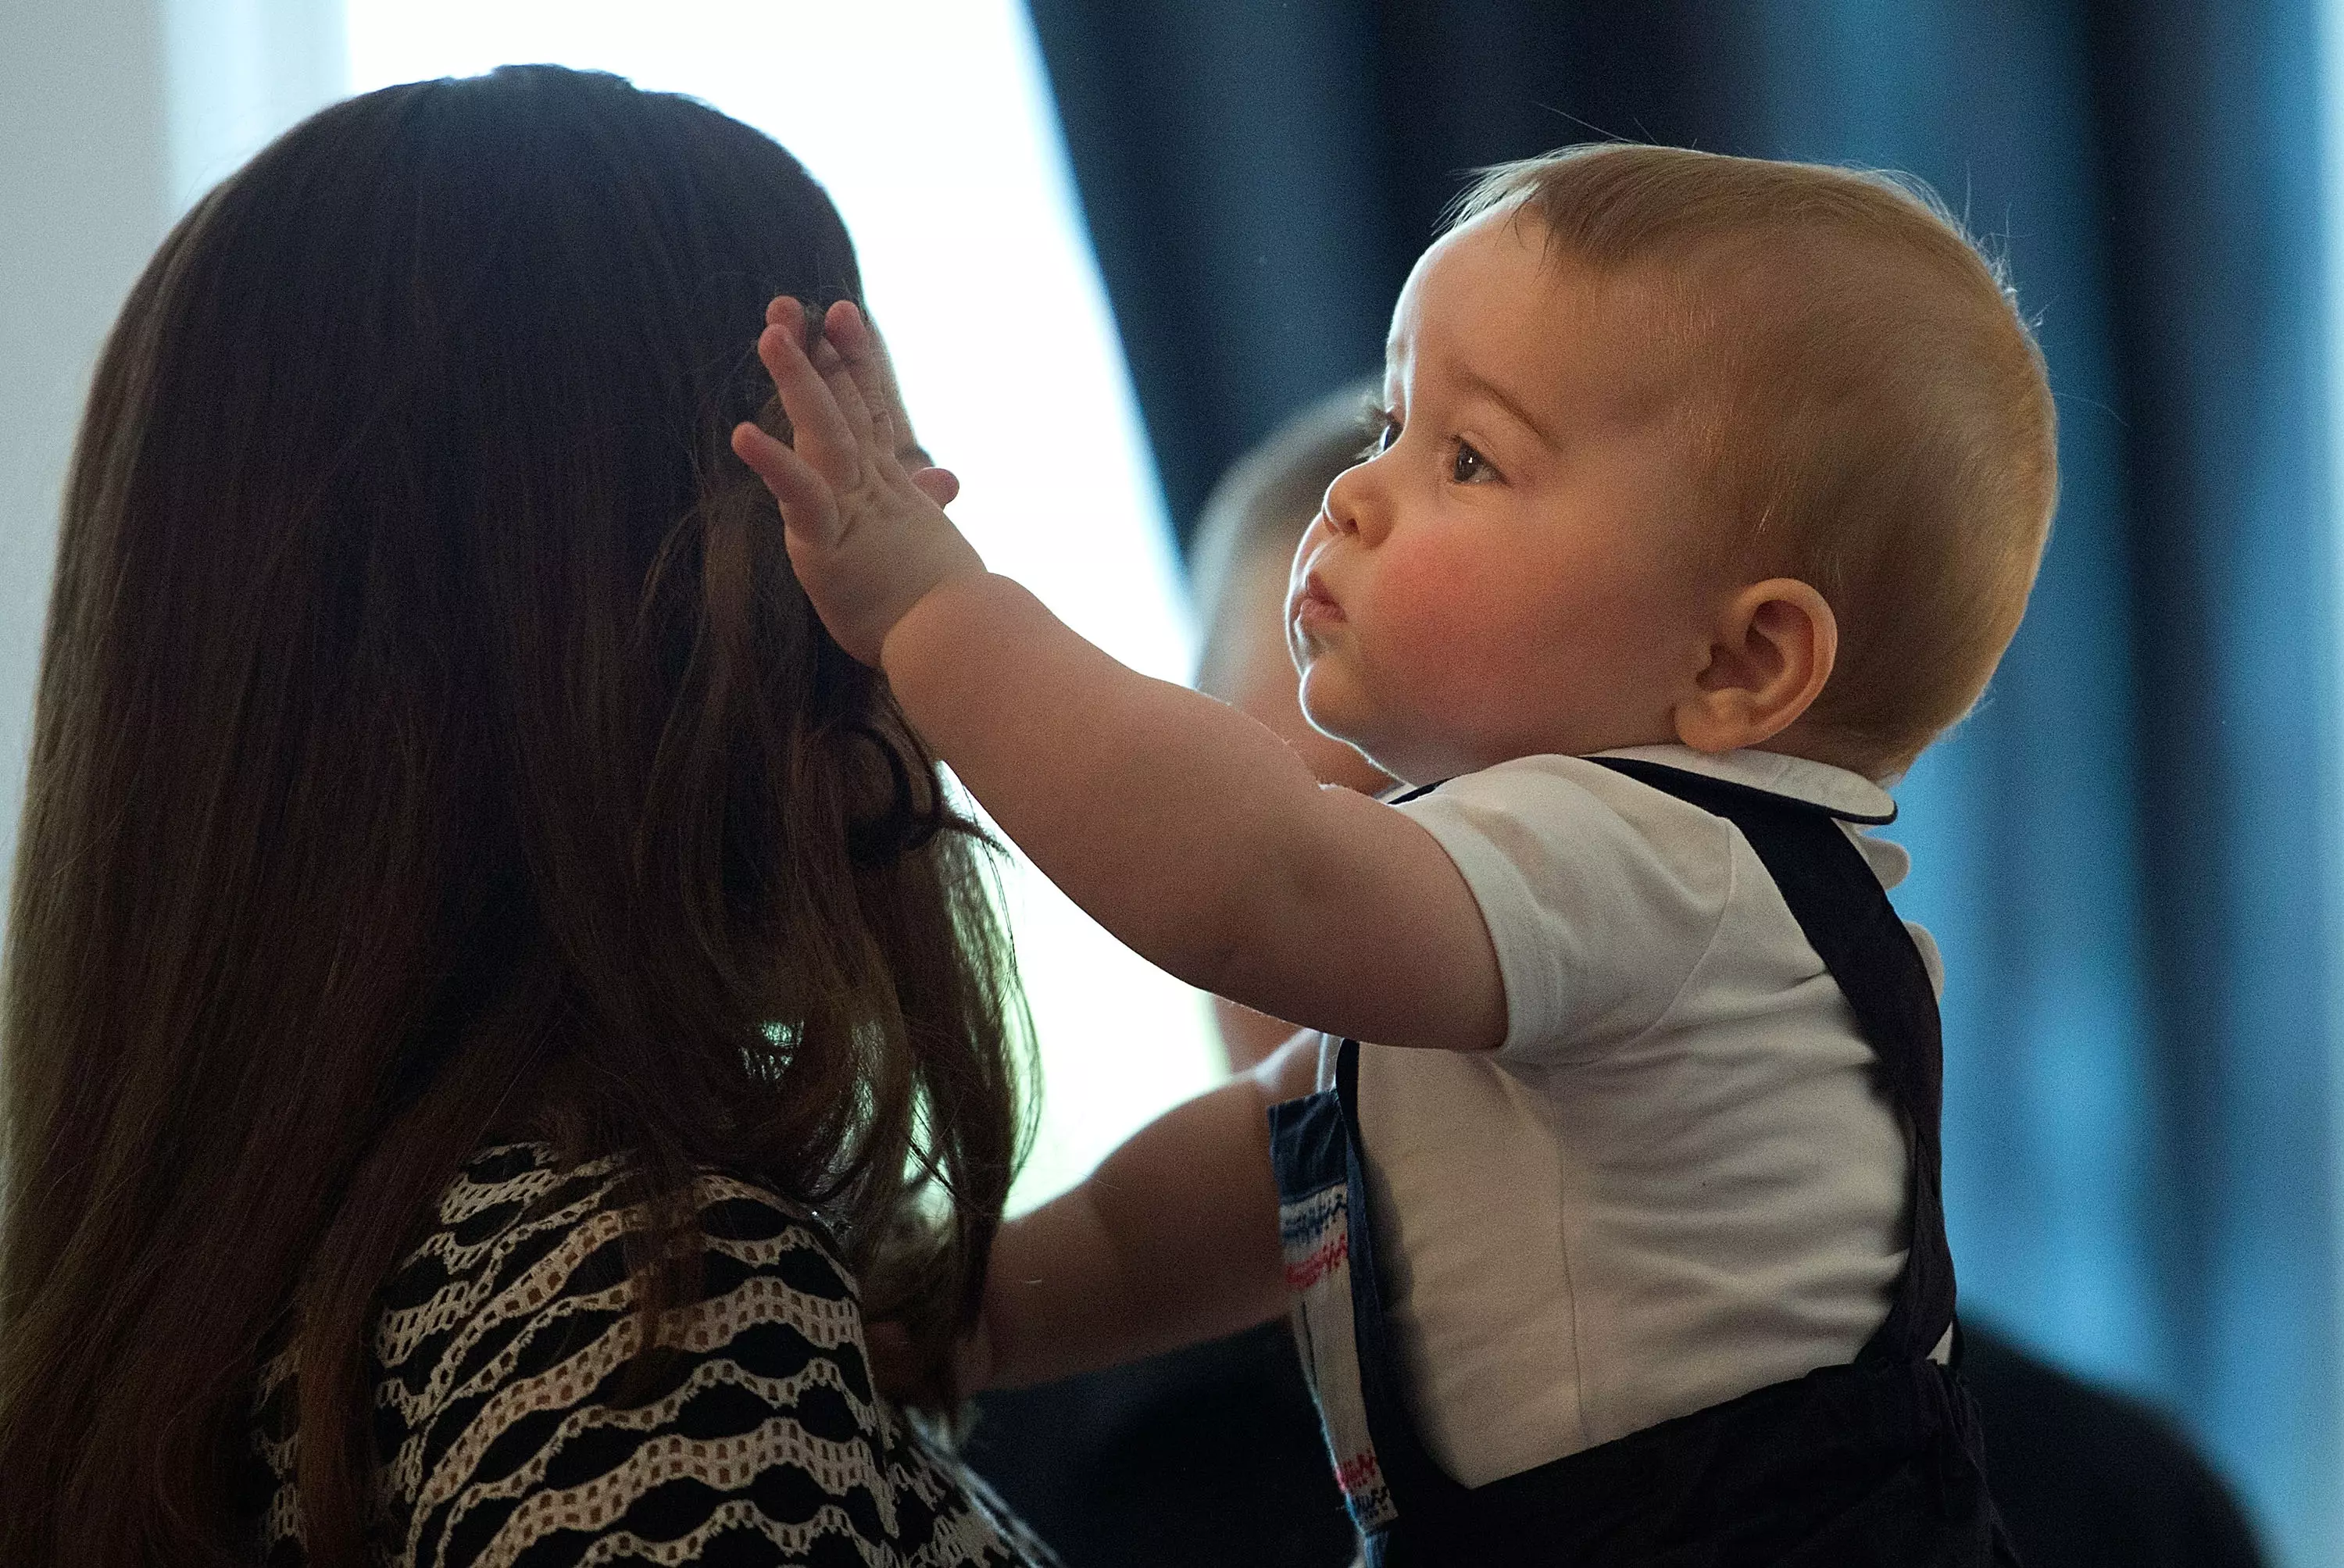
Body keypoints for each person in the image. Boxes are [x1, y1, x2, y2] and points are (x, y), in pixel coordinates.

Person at [735, 141, 2053, 1561]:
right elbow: (1243, 1190)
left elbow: (1256, 882)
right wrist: (967, 1308)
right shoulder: (1555, 948)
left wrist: (929, 609)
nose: (1355, 498)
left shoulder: (1668, 866)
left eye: (1469, 456)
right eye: (1387, 426)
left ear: (1741, 660)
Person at [0, 67, 1057, 1567]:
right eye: (854, 466)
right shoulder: (652, 1319)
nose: (920, 532)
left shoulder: (268, 1345)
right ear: (666, 600)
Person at [970, 384, 2268, 1568]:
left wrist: (930, 614)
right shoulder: (989, 1469)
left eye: (1455, 827)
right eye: (1294, 809)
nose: (1354, 936)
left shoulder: (2104, 1507)